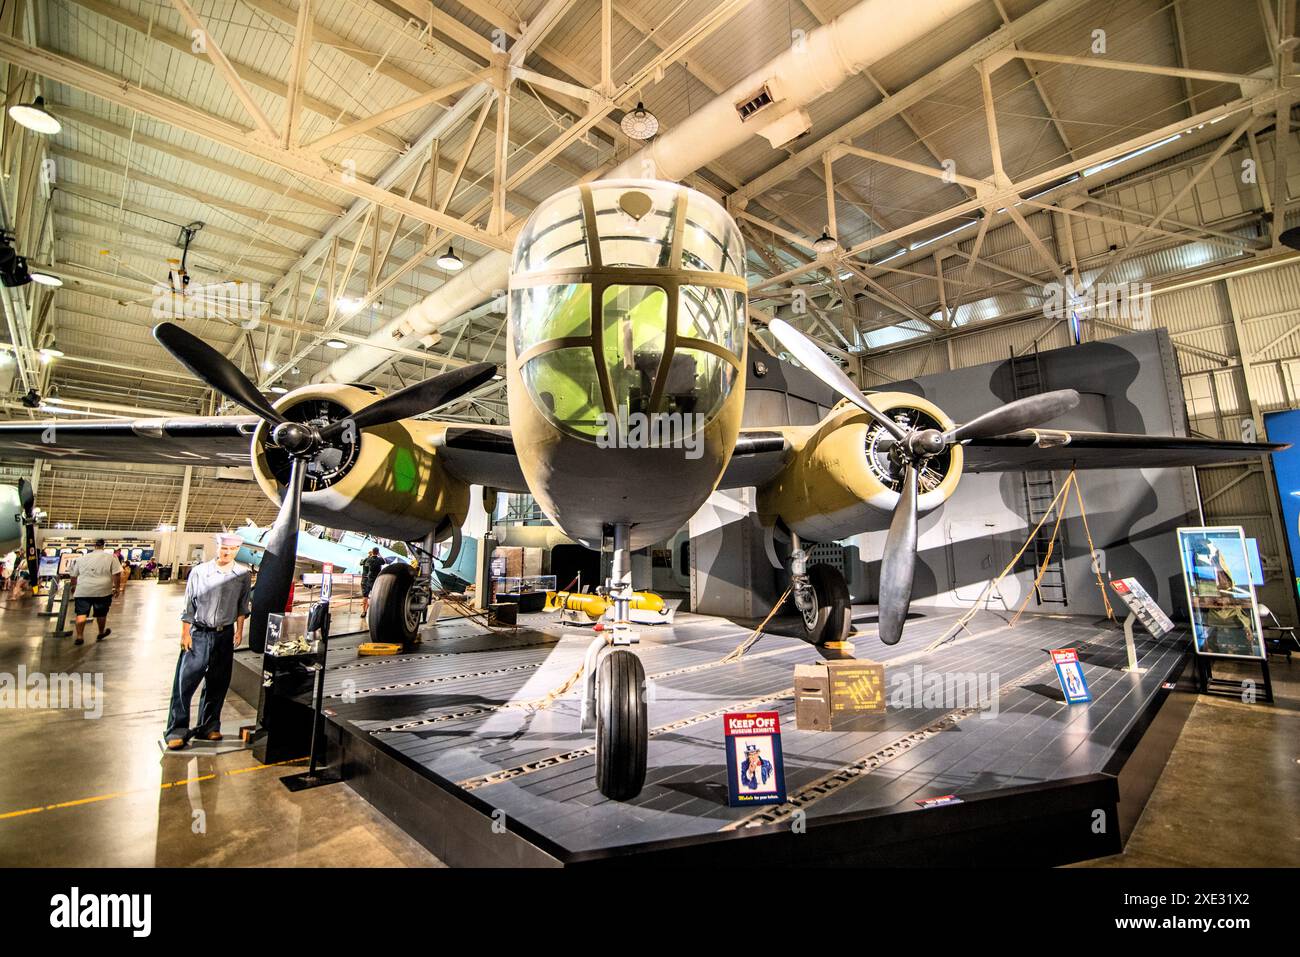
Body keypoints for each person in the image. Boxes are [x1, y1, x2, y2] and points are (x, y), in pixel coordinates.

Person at [164, 533, 251, 750]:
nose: (226, 552)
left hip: (225, 634)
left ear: (237, 550)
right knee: (185, 682)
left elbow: (242, 605)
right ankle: (176, 729)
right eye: (223, 548)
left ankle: (210, 726)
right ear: (218, 548)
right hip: (199, 632)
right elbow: (188, 605)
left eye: (231, 549)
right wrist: (186, 633)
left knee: (218, 681)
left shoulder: (242, 574)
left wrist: (239, 631)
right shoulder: (200, 572)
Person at [68, 539, 125, 646]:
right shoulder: (111, 558)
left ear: (94, 546)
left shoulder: (82, 558)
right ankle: (101, 632)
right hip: (102, 590)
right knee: (101, 613)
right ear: (104, 546)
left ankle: (80, 636)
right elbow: (117, 574)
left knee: (81, 613)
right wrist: (117, 588)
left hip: (83, 590)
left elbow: (73, 575)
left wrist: (74, 586)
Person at [359, 547, 384, 617]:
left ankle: (364, 611)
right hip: (374, 581)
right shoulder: (378, 560)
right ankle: (374, 611)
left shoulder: (366, 560)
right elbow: (384, 561)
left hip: (365, 581)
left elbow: (361, 563)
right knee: (375, 596)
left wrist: (368, 557)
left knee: (365, 596)